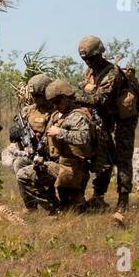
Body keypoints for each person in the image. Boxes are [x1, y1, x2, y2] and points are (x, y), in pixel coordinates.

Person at [75, 35, 139, 212]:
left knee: (123, 158)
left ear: (99, 54)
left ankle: (123, 201)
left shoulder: (112, 74)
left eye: (91, 58)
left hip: (124, 119)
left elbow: (99, 100)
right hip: (105, 118)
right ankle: (98, 197)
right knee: (103, 156)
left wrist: (77, 98)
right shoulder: (90, 72)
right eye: (85, 59)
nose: (88, 62)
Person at [41, 79, 100, 212]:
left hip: (74, 169)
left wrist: (60, 132)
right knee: (29, 173)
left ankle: (67, 206)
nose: (55, 106)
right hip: (63, 165)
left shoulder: (78, 116)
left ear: (66, 97)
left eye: (57, 101)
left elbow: (84, 138)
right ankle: (57, 207)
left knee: (75, 209)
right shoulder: (58, 116)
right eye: (52, 103)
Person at [10, 73, 56, 211]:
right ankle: (31, 207)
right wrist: (15, 134)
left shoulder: (57, 110)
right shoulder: (28, 111)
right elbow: (21, 142)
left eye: (38, 96)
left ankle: (53, 205)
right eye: (33, 96)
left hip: (53, 157)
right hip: (34, 154)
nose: (36, 99)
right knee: (19, 163)